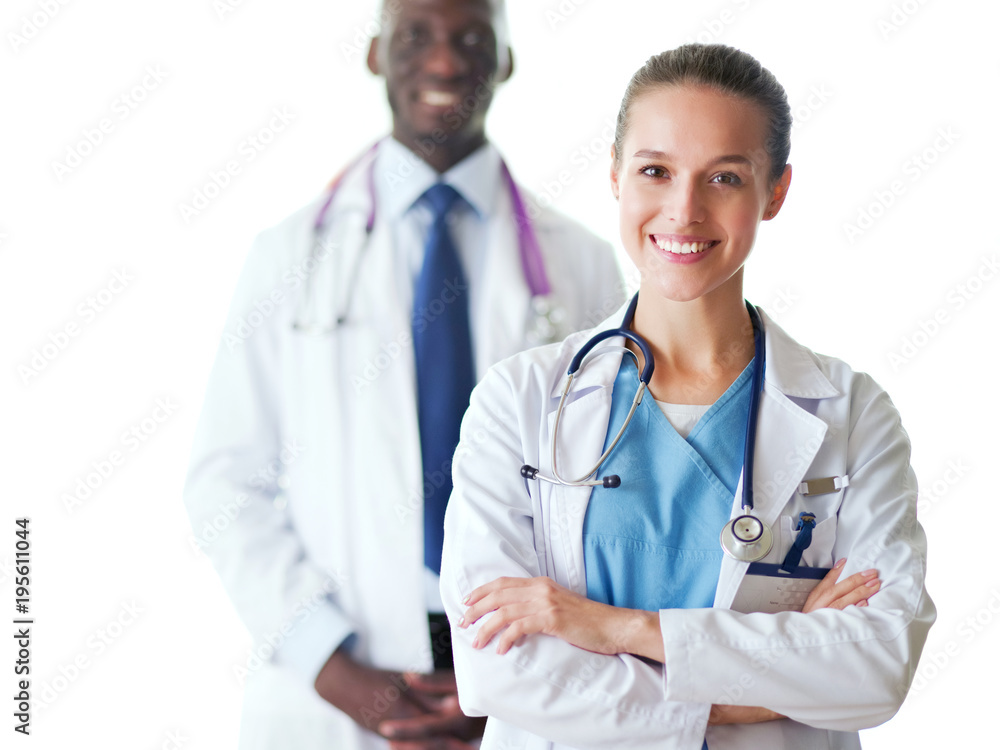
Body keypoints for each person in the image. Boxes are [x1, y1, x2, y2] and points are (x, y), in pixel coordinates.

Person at [440, 43, 935, 750]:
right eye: (655, 171)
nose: (683, 209)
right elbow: (501, 669)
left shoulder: (850, 414)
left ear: (776, 191)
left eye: (725, 178)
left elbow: (875, 667)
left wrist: (617, 629)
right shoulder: (518, 402)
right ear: (615, 174)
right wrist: (763, 687)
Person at [182, 0, 625, 748]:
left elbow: (619, 497)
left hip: (528, 687)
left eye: (473, 40)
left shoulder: (580, 265)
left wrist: (514, 684)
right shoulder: (287, 258)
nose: (446, 63)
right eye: (416, 37)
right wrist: (334, 669)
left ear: (509, 60)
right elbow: (227, 487)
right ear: (374, 55)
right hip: (329, 695)